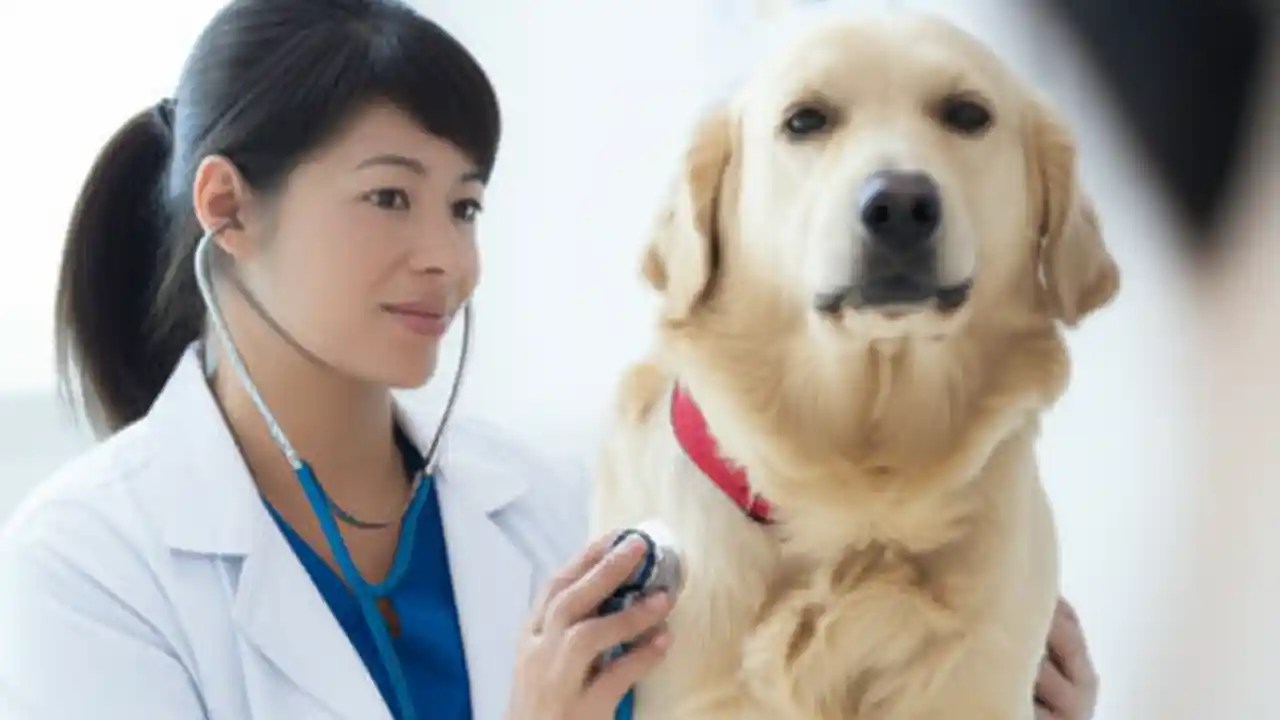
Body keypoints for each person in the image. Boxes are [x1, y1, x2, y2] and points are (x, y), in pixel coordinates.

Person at [0, 1, 1098, 719]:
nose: (449, 259)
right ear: (229, 209)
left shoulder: (572, 507)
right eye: (390, 197)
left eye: (464, 205)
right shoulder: (89, 567)